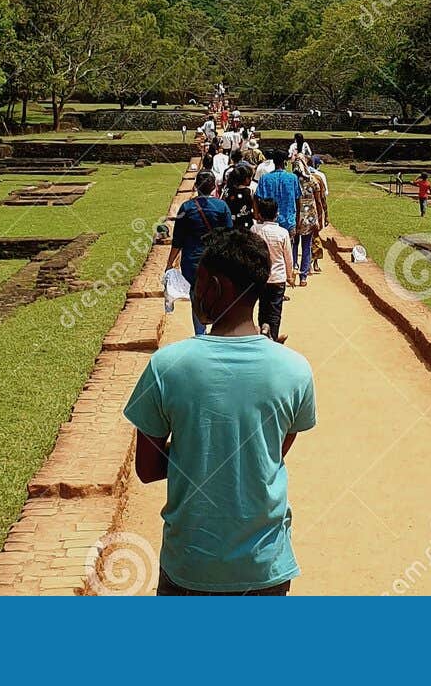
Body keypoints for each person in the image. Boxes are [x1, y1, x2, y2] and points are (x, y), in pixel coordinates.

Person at [126, 230, 316, 596]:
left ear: (214, 286)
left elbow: (147, 469)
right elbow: (270, 452)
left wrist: (195, 453)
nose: (194, 291)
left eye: (197, 281)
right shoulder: (295, 369)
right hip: (264, 566)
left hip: (191, 564)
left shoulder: (167, 366)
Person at [166, 170, 233, 337]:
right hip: (216, 259)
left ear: (196, 186)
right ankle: (218, 330)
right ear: (213, 187)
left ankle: (200, 333)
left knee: (196, 295)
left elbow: (178, 240)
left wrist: (170, 263)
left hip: (192, 261)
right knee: (218, 294)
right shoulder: (222, 206)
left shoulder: (187, 208)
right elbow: (229, 235)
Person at [252, 195, 295, 341]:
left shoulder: (254, 230)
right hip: (278, 277)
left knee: (262, 308)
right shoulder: (282, 233)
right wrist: (290, 276)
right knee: (275, 311)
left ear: (260, 214)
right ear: (277, 214)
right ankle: (273, 338)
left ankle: (263, 334)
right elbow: (288, 258)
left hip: (260, 277)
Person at [291, 159, 324, 286]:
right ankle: (303, 276)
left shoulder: (292, 181)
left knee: (294, 245)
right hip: (309, 218)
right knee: (306, 247)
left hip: (295, 217)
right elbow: (319, 201)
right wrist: (320, 219)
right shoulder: (312, 180)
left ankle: (293, 269)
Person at [256, 148, 300, 235]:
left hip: (268, 223)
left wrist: (258, 216)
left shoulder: (264, 178)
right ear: (285, 162)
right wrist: (297, 223)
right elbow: (298, 201)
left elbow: (256, 198)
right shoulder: (293, 178)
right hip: (288, 222)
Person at [309, 157, 330, 273]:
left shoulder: (298, 177)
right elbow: (323, 198)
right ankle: (313, 262)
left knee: (310, 238)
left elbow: (322, 198)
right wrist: (326, 215)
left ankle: (309, 263)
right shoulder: (318, 177)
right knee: (314, 238)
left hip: (306, 213)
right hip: (314, 213)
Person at [224, 162, 256, 231]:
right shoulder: (248, 192)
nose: (251, 179)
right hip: (245, 224)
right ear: (245, 179)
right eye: (250, 177)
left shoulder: (227, 189)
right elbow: (254, 209)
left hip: (231, 223)